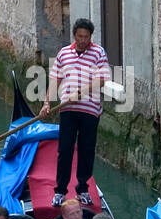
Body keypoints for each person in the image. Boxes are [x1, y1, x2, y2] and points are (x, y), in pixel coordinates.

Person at [40, 18, 111, 207]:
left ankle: (83, 189)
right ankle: (60, 191)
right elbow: (55, 79)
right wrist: (47, 103)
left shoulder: (98, 53)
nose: (82, 40)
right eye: (79, 36)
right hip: (67, 109)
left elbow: (102, 79)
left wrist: (80, 93)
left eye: (86, 37)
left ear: (90, 37)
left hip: (90, 110)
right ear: (74, 35)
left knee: (86, 150)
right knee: (65, 149)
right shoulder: (64, 53)